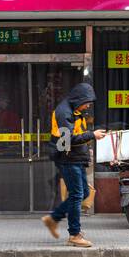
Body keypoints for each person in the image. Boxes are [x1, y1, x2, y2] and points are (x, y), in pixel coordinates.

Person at [42, 81, 106, 248]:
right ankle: (74, 235)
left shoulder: (75, 110)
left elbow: (78, 134)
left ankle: (53, 219)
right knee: (77, 195)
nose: (87, 106)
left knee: (82, 192)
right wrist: (92, 135)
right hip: (67, 159)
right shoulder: (64, 112)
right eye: (86, 103)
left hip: (75, 157)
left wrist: (86, 149)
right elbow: (67, 139)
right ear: (79, 99)